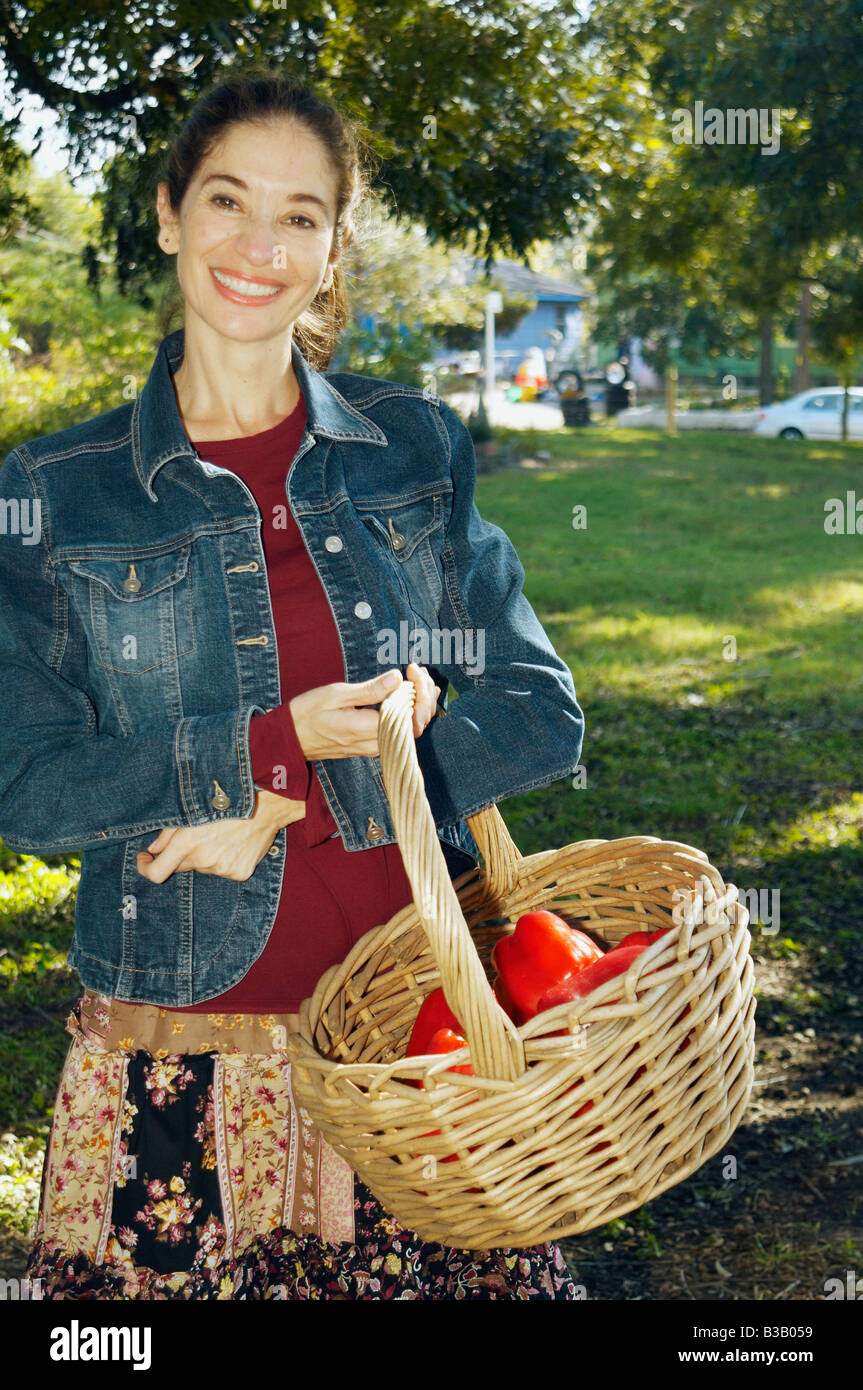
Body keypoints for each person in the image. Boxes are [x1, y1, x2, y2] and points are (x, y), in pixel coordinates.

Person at [0, 68, 585, 1299]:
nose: (258, 247)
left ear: (333, 250)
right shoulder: (58, 492)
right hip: (186, 1054)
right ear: (167, 213)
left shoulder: (410, 448)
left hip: (421, 1035)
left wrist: (288, 796)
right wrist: (264, 747)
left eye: (301, 217)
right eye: (226, 200)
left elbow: (536, 708)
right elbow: (28, 784)